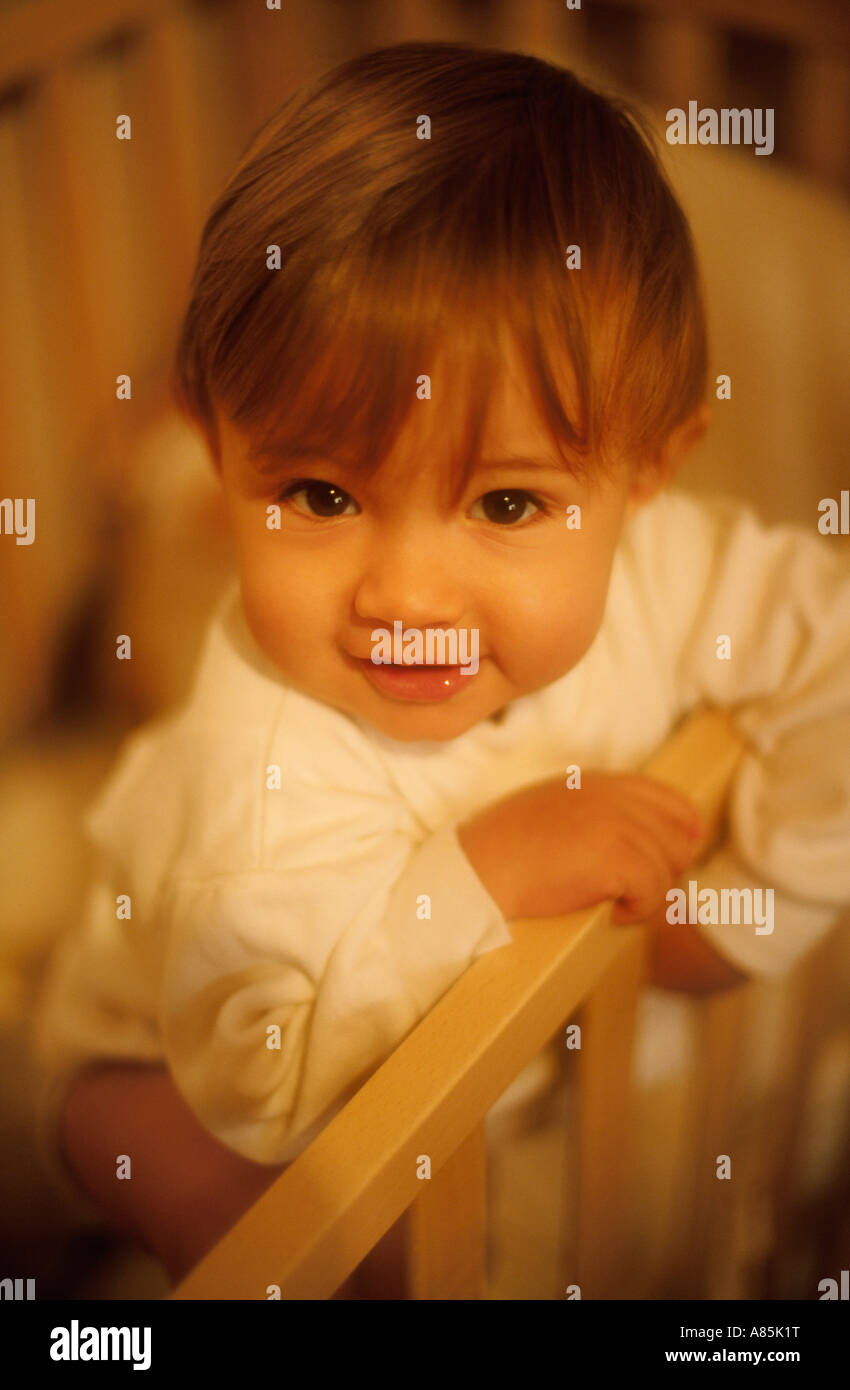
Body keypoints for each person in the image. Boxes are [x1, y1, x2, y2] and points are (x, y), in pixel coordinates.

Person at [32, 41, 850, 1291]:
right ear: (217, 449)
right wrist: (486, 870)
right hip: (172, 1047)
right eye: (320, 491)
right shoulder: (259, 787)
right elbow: (264, 1082)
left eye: (507, 506)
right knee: (284, 1234)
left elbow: (832, 642)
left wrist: (754, 914)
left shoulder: (663, 568)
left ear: (645, 474)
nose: (405, 594)